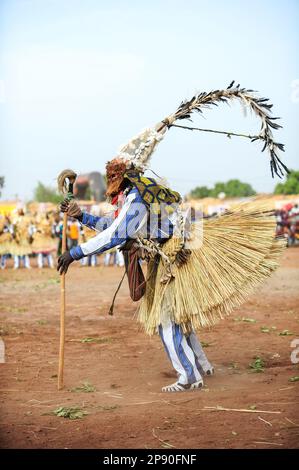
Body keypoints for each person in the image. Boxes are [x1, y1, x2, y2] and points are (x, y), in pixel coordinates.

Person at [57, 121, 286, 392]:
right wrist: (81, 216)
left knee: (167, 319)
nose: (110, 187)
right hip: (169, 254)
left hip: (171, 257)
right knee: (179, 314)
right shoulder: (137, 193)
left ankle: (188, 377)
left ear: (123, 179)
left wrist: (75, 253)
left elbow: (116, 235)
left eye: (113, 180)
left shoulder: (138, 198)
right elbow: (113, 227)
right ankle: (201, 366)